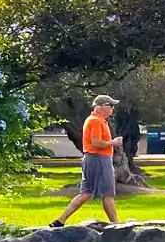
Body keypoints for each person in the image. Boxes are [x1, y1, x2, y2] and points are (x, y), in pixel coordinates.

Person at [49, 96, 122, 227]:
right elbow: (96, 143)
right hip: (99, 159)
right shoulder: (95, 121)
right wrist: (114, 142)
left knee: (86, 193)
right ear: (102, 106)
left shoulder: (96, 120)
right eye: (111, 106)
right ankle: (116, 225)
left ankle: (60, 221)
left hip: (92, 159)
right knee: (108, 193)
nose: (113, 109)